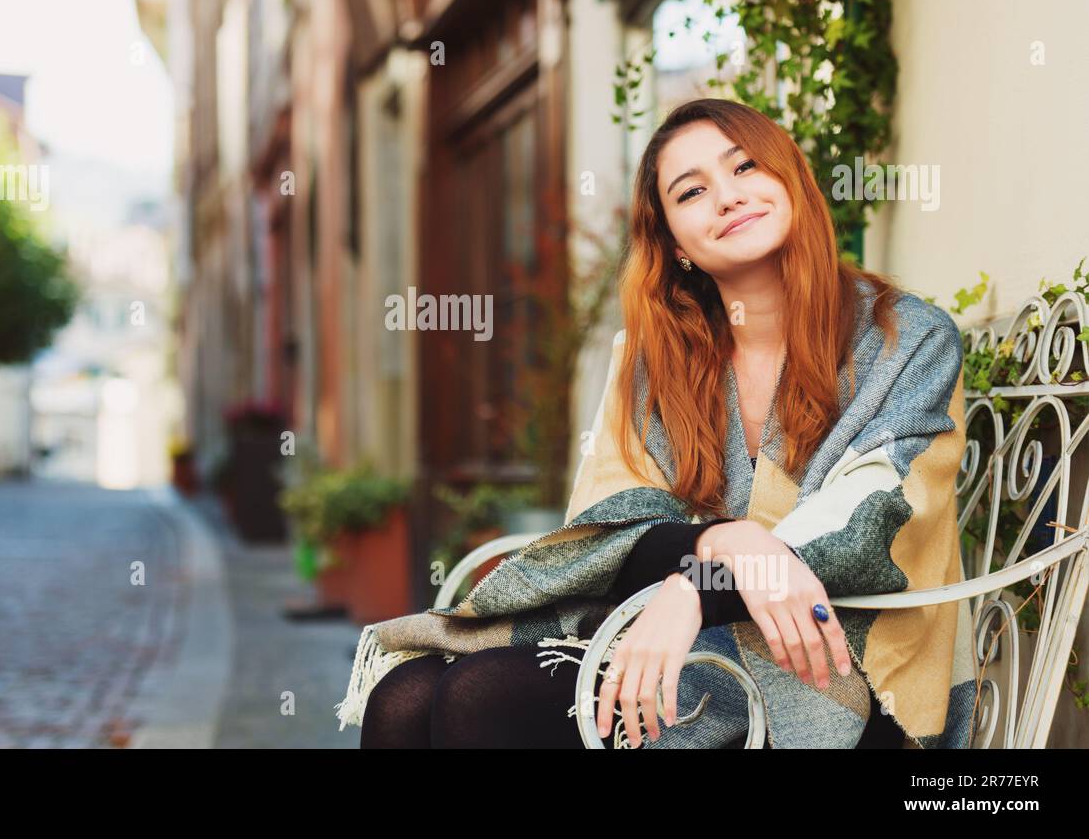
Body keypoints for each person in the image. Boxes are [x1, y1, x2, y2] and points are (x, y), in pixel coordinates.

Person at [356, 97, 953, 749]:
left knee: (481, 695)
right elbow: (616, 522)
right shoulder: (656, 360)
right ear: (673, 242)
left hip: (839, 660)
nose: (727, 197)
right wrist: (719, 544)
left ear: (792, 181)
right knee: (404, 697)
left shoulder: (906, 340)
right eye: (691, 191)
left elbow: (872, 518)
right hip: (682, 634)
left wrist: (700, 583)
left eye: (745, 167)